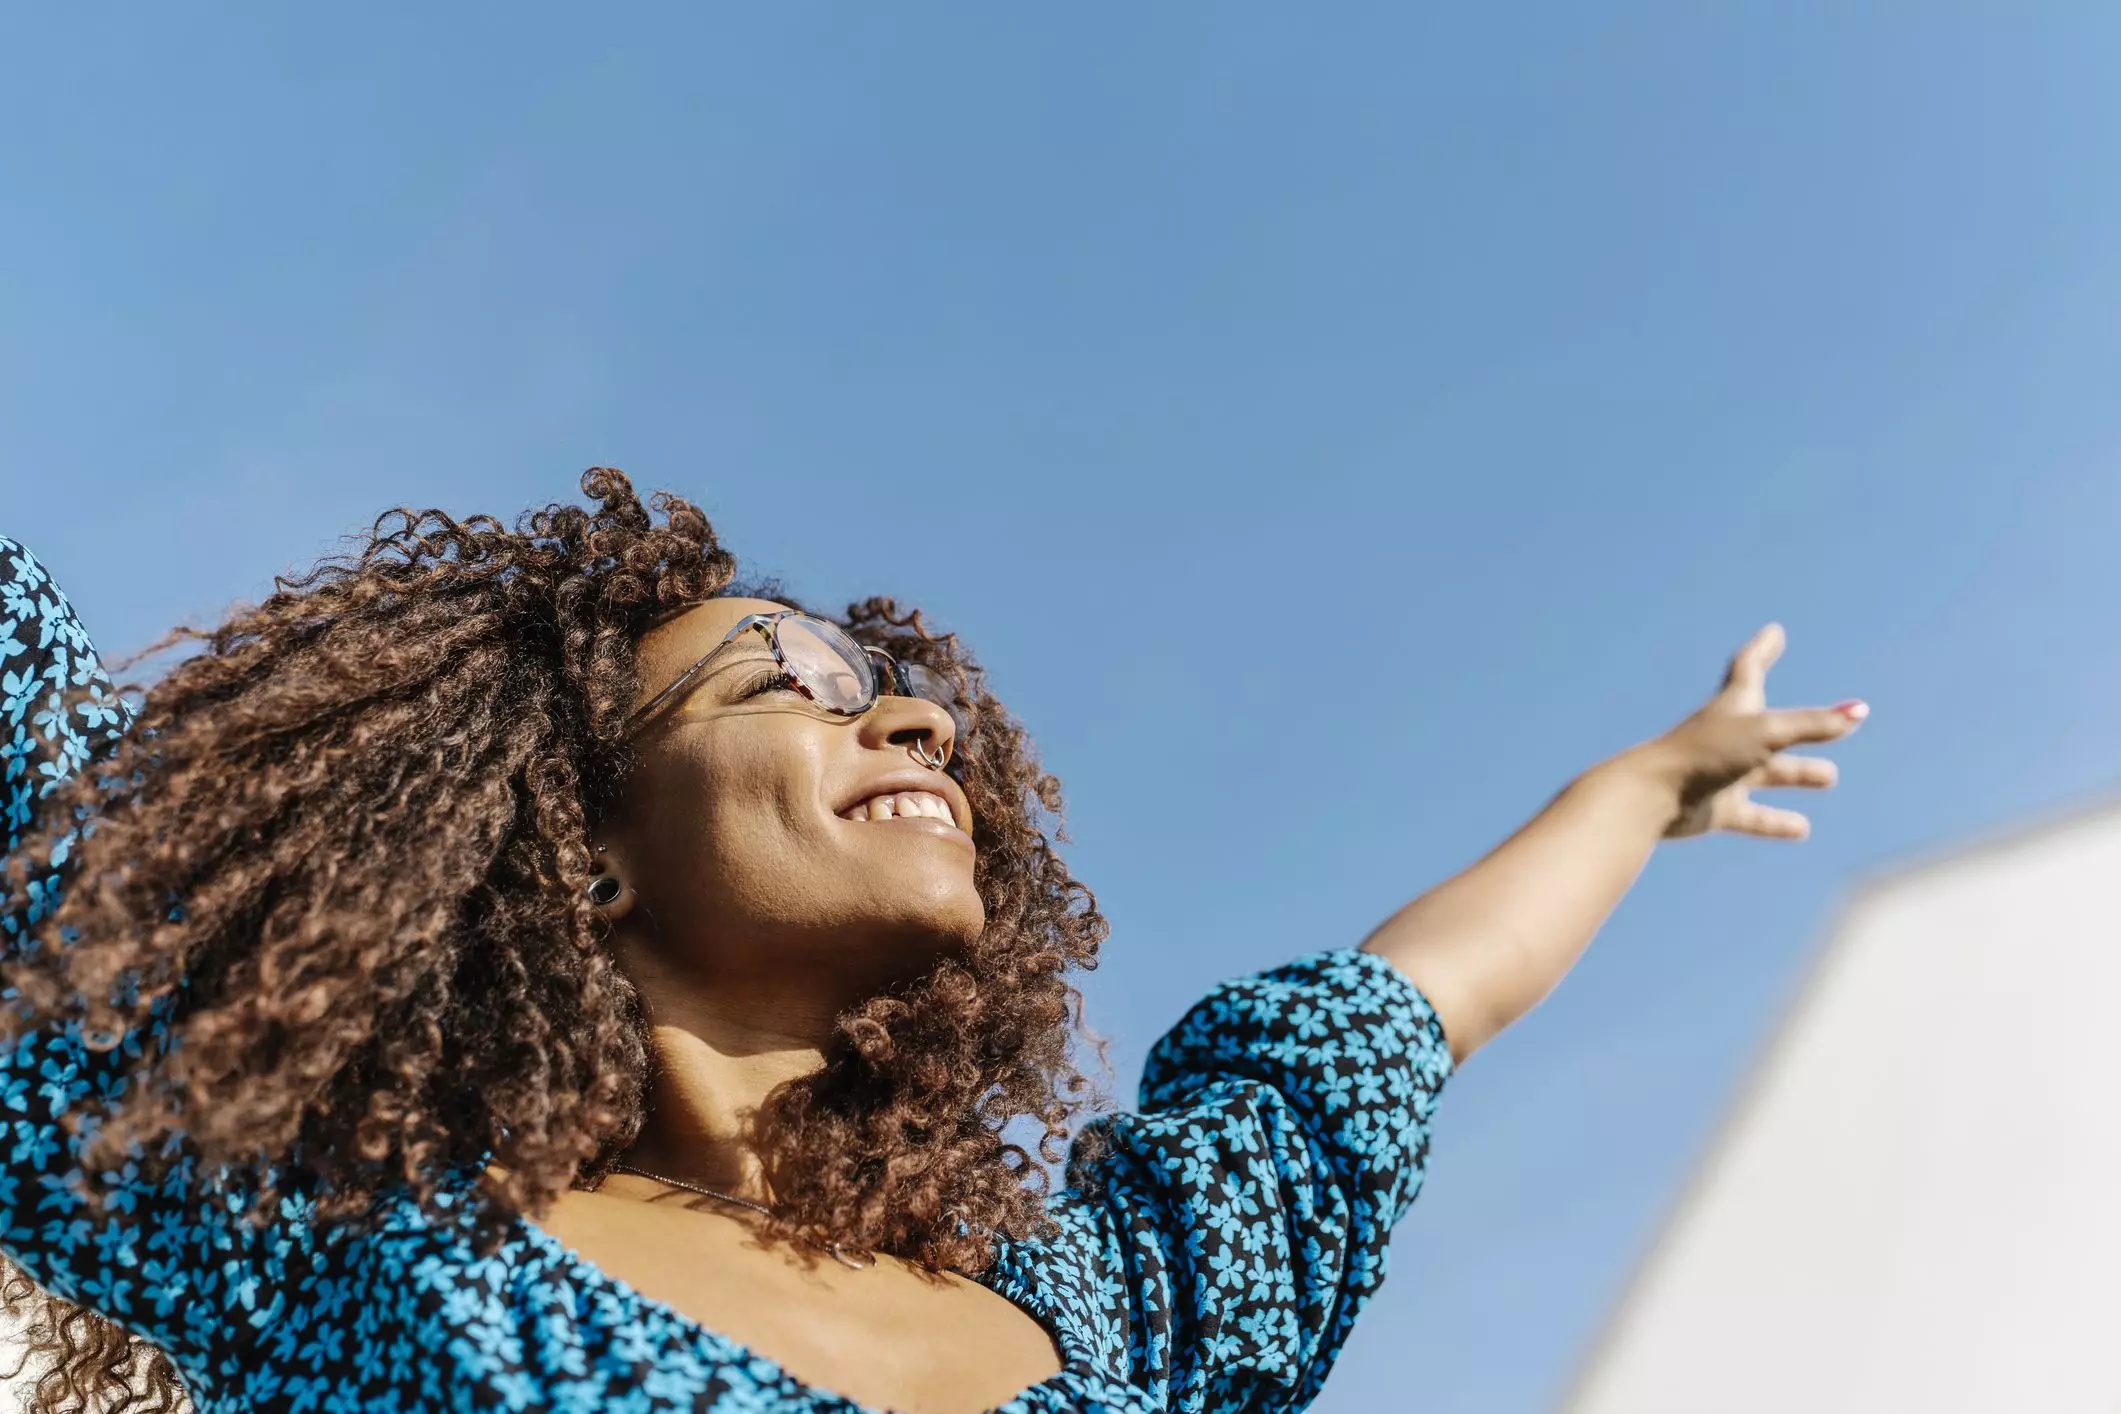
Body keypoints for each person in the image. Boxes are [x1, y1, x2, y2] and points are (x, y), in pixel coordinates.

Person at [0, 471, 1864, 1414]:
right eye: (789, 685)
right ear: (583, 860)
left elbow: (1375, 1029)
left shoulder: (1114, 1318)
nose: (916, 721)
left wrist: (1644, 783)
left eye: (897, 689)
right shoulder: (340, 1236)